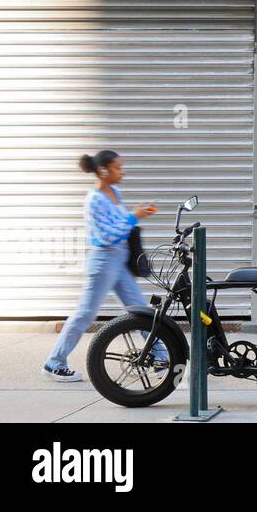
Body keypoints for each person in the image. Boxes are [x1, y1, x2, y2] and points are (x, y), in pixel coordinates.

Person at [42, 150, 164, 382]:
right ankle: (54, 363)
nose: (123, 171)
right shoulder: (94, 200)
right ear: (103, 171)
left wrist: (135, 214)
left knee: (140, 310)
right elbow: (107, 236)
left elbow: (118, 224)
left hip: (119, 259)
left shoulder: (114, 192)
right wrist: (133, 217)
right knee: (86, 314)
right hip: (104, 260)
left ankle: (161, 359)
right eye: (118, 167)